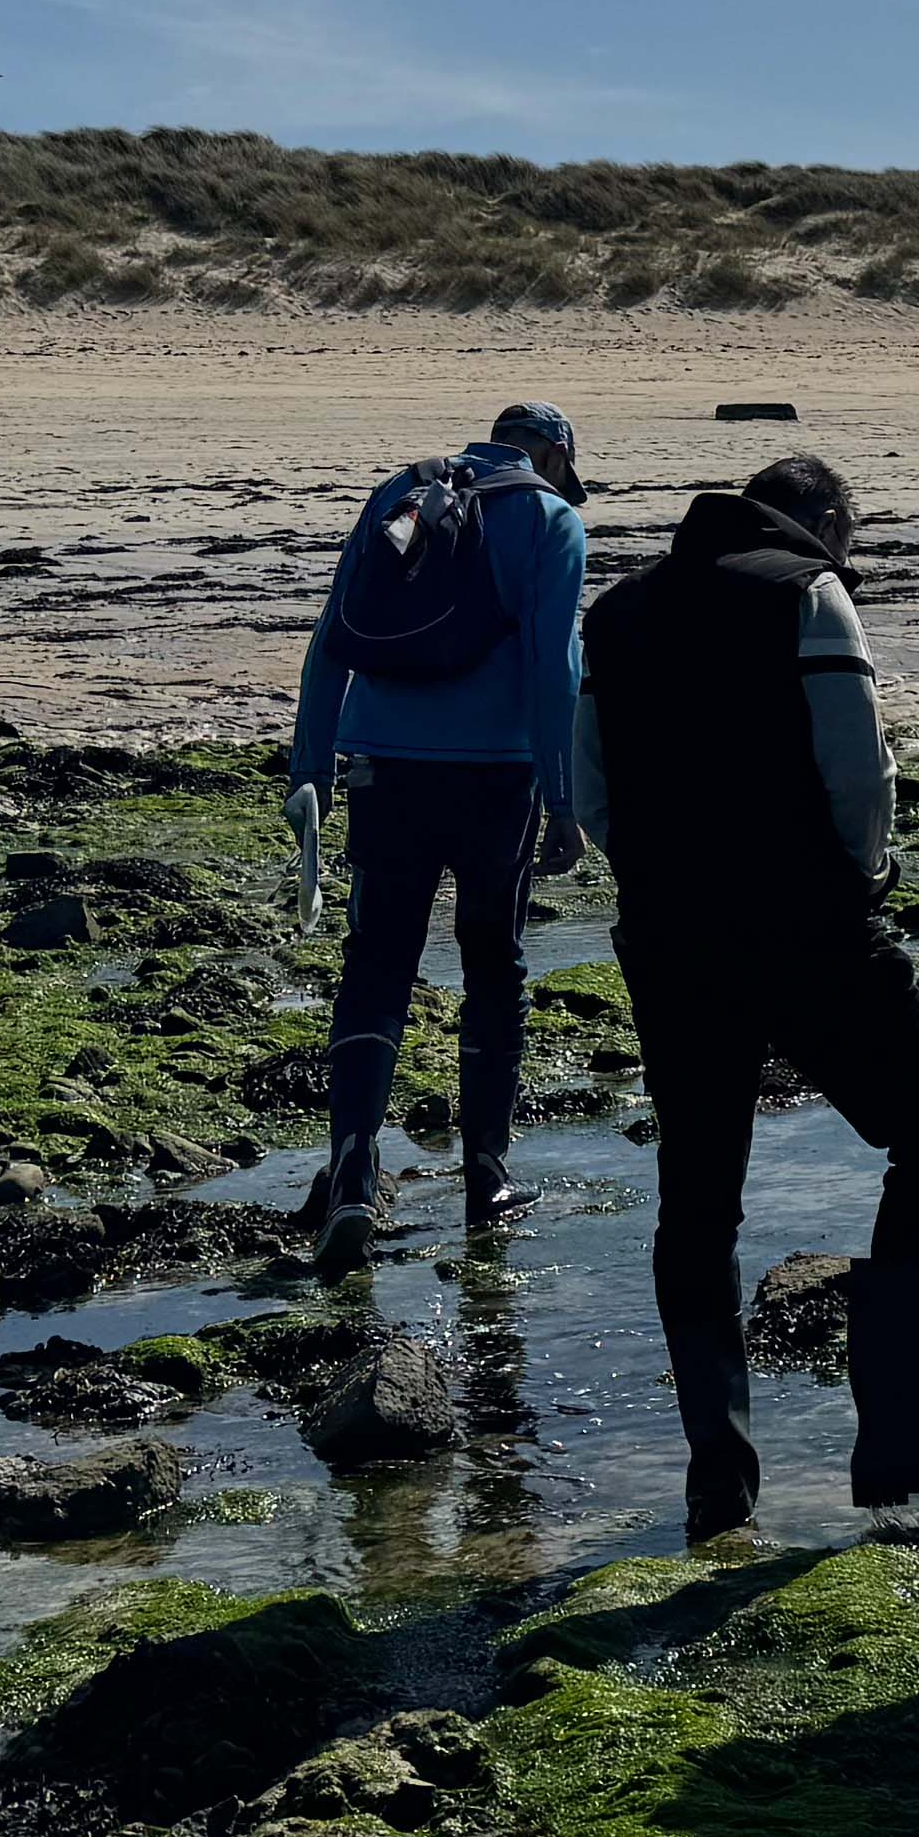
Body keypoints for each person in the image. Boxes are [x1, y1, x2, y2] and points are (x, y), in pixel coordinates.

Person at [575, 451, 919, 1530]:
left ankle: (720, 1478)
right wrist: (868, 873)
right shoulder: (809, 591)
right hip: (805, 926)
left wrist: (656, 878)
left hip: (668, 935)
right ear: (831, 523)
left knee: (698, 1198)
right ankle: (901, 1432)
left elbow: (588, 784)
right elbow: (857, 770)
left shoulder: (621, 609)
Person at [286, 401, 591, 1253]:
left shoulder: (399, 490)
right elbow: (553, 667)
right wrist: (563, 800)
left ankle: (352, 1167)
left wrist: (309, 768)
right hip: (496, 779)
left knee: (377, 963)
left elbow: (333, 636)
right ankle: (486, 1178)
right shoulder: (551, 516)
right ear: (559, 457)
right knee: (494, 964)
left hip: (381, 766)